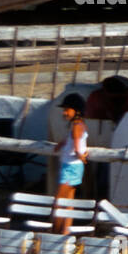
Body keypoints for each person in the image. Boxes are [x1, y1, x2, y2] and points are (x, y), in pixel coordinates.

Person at [53, 94, 89, 234]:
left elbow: (76, 145)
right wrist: (61, 144)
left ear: (77, 111)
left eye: (67, 109)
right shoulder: (79, 125)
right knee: (68, 203)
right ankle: (65, 233)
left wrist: (82, 156)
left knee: (59, 202)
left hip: (70, 167)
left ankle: (54, 233)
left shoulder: (76, 126)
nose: (64, 112)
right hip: (72, 166)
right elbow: (73, 140)